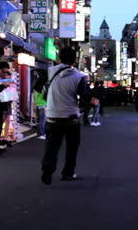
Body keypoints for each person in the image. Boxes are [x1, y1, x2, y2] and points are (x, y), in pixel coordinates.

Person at [41, 47, 89, 185]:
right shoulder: (79, 77)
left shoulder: (49, 72)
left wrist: (49, 101)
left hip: (52, 116)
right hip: (71, 118)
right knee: (72, 148)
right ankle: (68, 173)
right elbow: (84, 99)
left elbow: (38, 86)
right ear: (74, 60)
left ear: (60, 58)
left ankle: (47, 170)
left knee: (51, 146)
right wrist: (81, 109)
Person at [32, 72, 47, 140]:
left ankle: (42, 133)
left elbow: (34, 97)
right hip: (43, 104)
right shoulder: (42, 87)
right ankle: (41, 134)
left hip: (38, 104)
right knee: (43, 120)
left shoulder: (36, 87)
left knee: (41, 120)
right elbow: (45, 96)